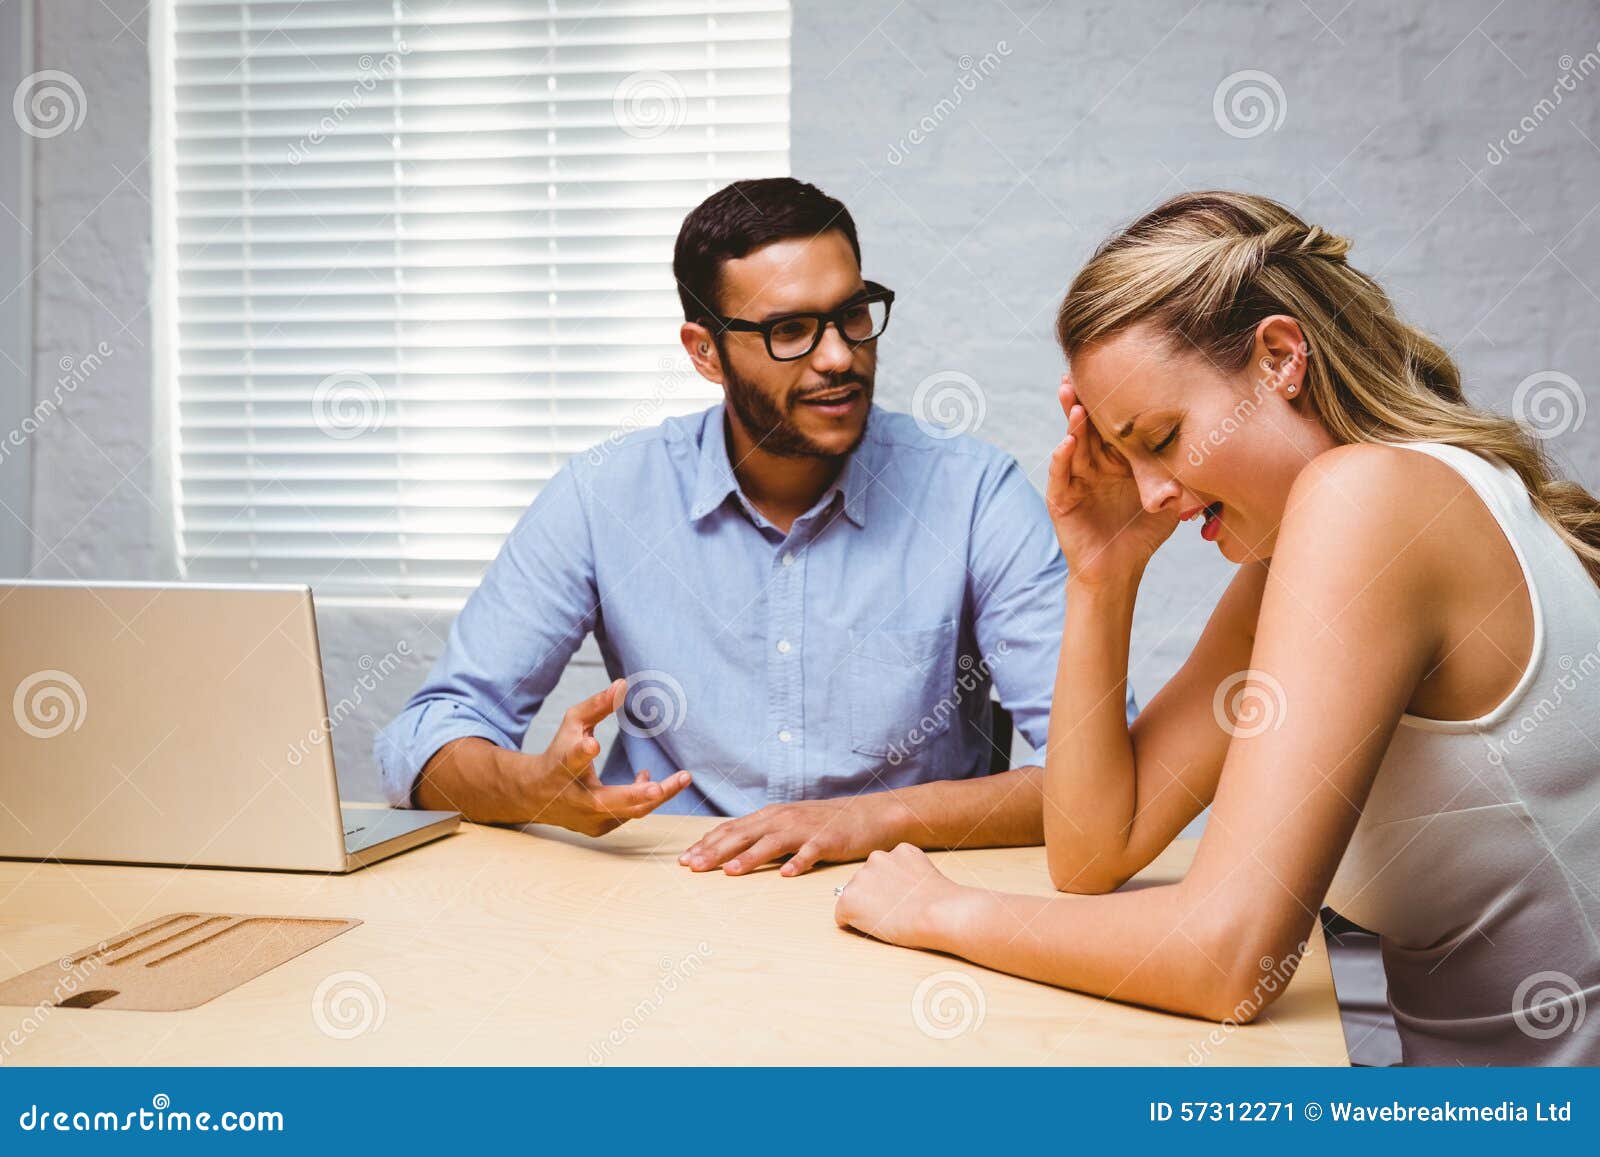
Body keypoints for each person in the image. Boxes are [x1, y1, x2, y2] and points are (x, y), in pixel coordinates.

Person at [834, 190, 1600, 1065]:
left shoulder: (1369, 500)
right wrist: (1102, 576)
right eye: (1125, 455)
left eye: (1162, 437)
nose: (1152, 492)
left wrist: (938, 909)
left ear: (1279, 358)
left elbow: (1228, 960)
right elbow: (1093, 848)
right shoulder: (1324, 543)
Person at [375, 177, 1133, 876]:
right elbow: (424, 740)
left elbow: (1101, 773)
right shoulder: (605, 496)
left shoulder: (973, 495)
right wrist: (534, 790)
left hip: (900, 896)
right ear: (705, 352)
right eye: (790, 330)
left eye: (852, 315)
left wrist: (864, 820)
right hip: (666, 894)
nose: (838, 356)